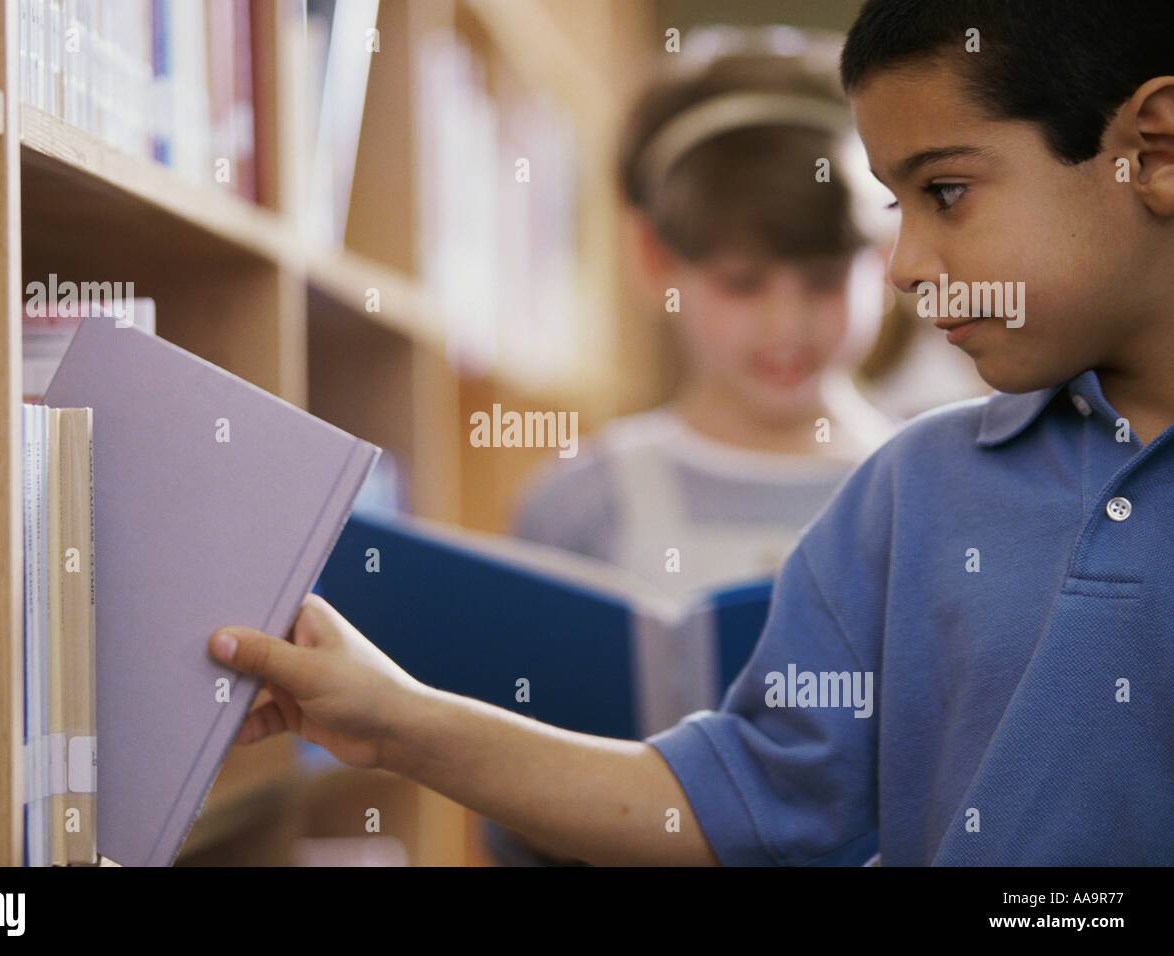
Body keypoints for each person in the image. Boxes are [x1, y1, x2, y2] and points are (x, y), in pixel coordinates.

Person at [208, 0, 1174, 865]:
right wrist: (394, 721)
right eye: (897, 207)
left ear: (1155, 152)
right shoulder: (914, 489)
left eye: (948, 193)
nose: (904, 266)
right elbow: (741, 800)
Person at [511, 31, 905, 599]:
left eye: (824, 280)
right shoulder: (580, 505)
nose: (787, 324)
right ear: (654, 259)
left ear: (883, 257)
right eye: (741, 284)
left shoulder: (936, 484)